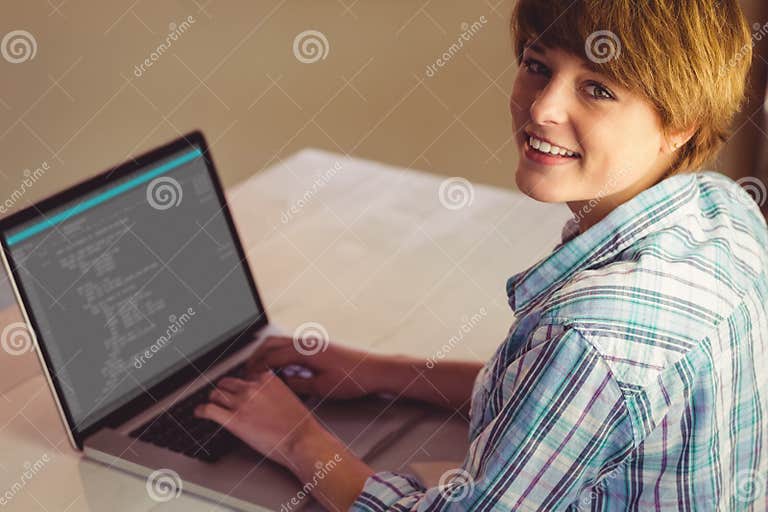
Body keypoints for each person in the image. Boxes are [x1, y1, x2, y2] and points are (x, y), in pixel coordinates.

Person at [194, 0, 768, 509]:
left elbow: (584, 367)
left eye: (598, 88)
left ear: (680, 125)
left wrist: (299, 439)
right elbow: (571, 400)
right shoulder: (723, 210)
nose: (542, 107)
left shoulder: (592, 337)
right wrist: (383, 373)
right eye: (538, 65)